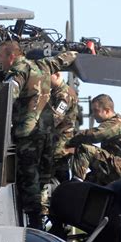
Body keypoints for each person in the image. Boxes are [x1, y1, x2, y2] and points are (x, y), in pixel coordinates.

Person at [0, 41, 77, 228]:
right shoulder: (43, 65)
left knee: (28, 178)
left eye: (0, 55)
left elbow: (9, 95)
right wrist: (78, 51)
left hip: (28, 135)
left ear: (12, 57)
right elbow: (65, 58)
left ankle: (34, 222)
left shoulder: (19, 71)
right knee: (44, 178)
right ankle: (50, 222)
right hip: (47, 135)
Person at [67, 94, 121, 185]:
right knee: (89, 181)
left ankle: (74, 185)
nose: (93, 115)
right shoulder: (110, 123)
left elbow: (94, 135)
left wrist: (68, 137)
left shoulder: (117, 123)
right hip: (116, 167)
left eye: (96, 111)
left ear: (107, 111)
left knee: (84, 149)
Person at [39, 72, 79, 208]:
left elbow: (55, 118)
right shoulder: (56, 92)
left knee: (48, 178)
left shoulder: (64, 94)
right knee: (57, 179)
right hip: (57, 142)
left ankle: (48, 212)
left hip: (59, 144)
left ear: (56, 75)